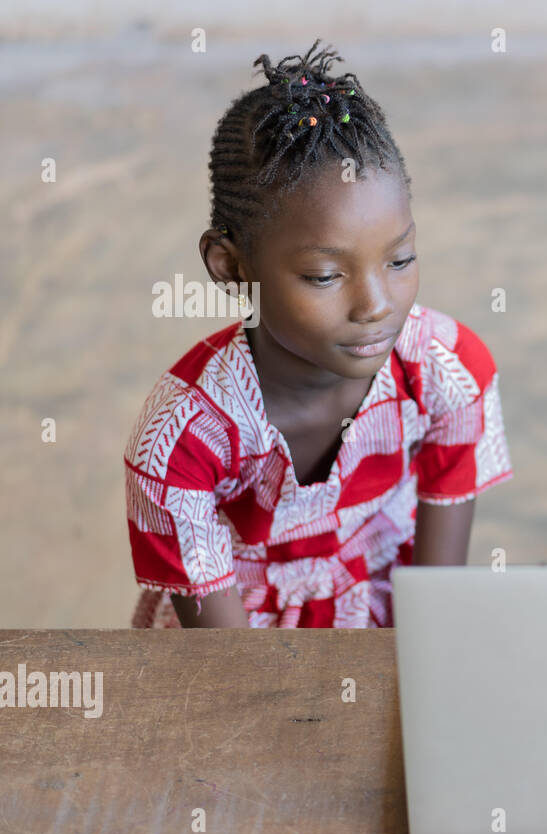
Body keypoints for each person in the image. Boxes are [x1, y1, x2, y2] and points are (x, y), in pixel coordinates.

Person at [124, 41, 511, 628]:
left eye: (400, 259)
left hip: (392, 620)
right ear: (231, 267)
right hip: (235, 654)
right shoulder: (180, 442)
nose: (377, 306)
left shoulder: (447, 372)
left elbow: (437, 619)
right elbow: (230, 680)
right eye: (325, 275)